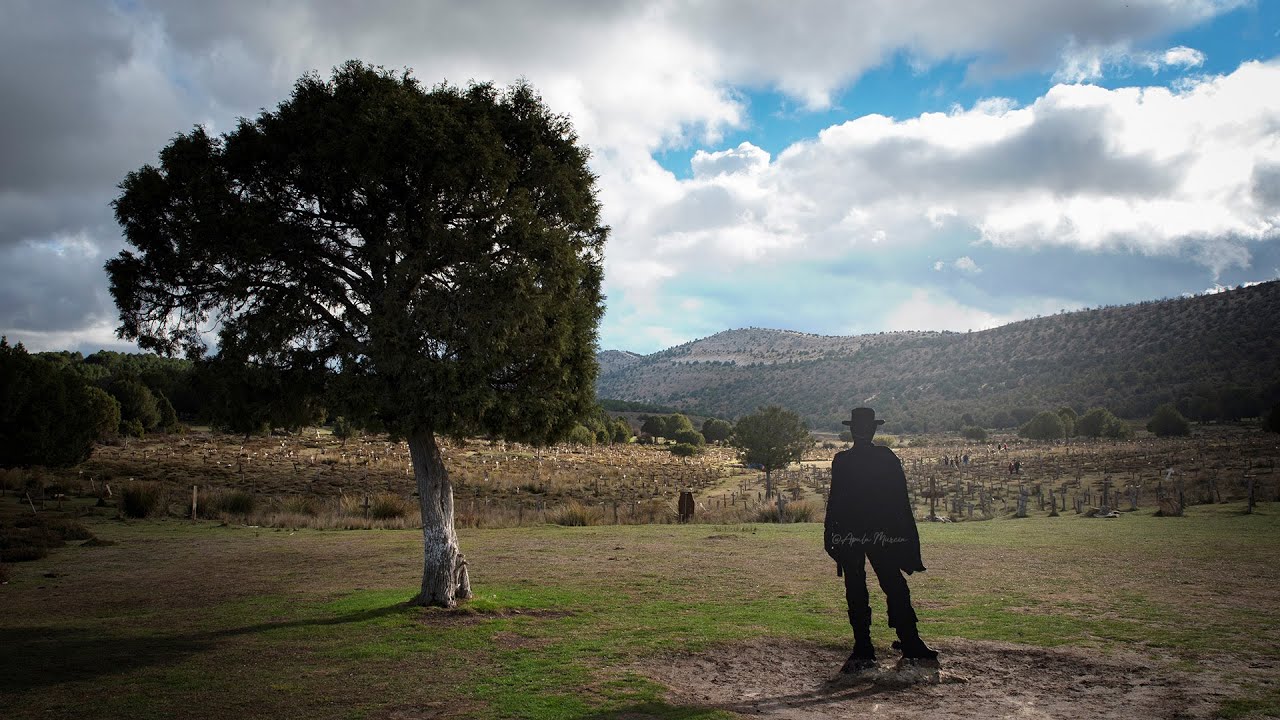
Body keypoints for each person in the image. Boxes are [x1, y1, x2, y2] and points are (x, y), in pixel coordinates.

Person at [825, 407, 938, 673]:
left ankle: (876, 646)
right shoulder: (879, 458)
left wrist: (832, 534)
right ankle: (888, 644)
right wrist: (831, 534)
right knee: (882, 587)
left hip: (861, 535)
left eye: (865, 428)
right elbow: (839, 502)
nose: (863, 432)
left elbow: (838, 503)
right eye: (861, 428)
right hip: (874, 535)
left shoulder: (848, 460)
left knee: (874, 587)